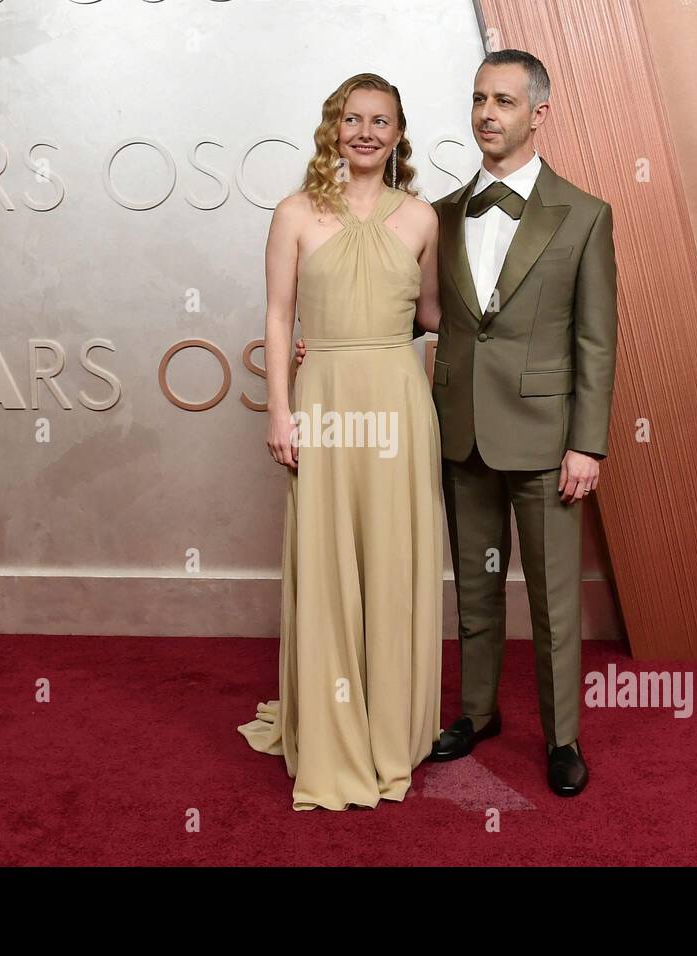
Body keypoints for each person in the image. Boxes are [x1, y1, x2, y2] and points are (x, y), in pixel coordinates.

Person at [296, 50, 618, 798]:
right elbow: (405, 310)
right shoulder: (433, 213)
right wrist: (323, 335)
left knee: (551, 598)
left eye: (504, 101)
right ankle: (476, 714)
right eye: (478, 98)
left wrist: (588, 442)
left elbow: (596, 341)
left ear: (538, 114)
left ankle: (562, 736)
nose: (487, 114)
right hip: (458, 427)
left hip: (546, 438)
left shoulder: (586, 214)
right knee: (475, 587)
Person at [237, 73, 445, 811]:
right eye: (352, 119)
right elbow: (276, 316)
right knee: (327, 560)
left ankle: (392, 730)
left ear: (397, 135)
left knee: (392, 558)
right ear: (333, 128)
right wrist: (279, 410)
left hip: (396, 400)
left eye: (379, 121)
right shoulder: (295, 212)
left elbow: (429, 316)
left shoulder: (422, 219)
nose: (365, 131)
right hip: (321, 398)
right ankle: (330, 728)